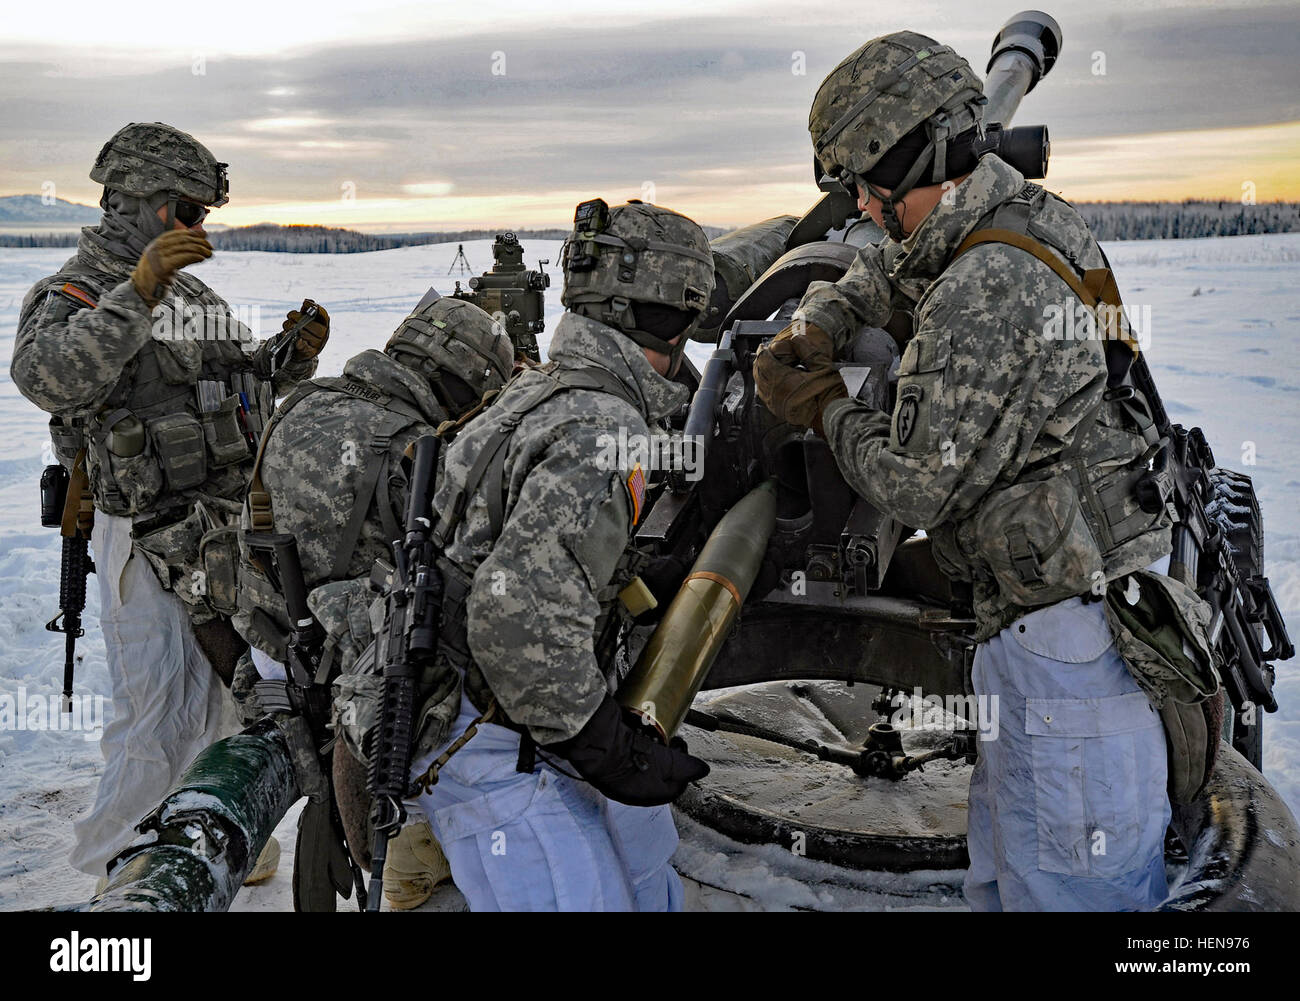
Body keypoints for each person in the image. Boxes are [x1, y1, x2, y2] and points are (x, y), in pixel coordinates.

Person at [754, 33, 1175, 911]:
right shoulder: (1012, 211)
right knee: (1012, 871)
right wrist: (824, 320)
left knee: (1071, 886)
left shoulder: (986, 290)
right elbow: (892, 266)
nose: (866, 210)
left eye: (871, 187)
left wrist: (824, 403)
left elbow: (915, 485)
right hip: (1039, 620)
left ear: (913, 161)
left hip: (1068, 646)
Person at [10, 122, 328, 883]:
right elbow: (47, 376)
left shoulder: (190, 291)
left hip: (217, 528)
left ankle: (206, 831)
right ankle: (122, 869)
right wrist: (138, 293)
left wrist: (290, 356)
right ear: (141, 203)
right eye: (186, 211)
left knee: (227, 697)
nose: (198, 228)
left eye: (204, 215)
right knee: (157, 711)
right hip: (146, 532)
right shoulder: (76, 291)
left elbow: (239, 375)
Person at [400, 198, 713, 911]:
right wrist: (607, 747)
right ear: (676, 311)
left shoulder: (546, 389)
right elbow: (517, 621)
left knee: (645, 868)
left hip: (519, 707)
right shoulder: (603, 426)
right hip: (486, 732)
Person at [235, 294, 514, 909]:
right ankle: (416, 848)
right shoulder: (419, 450)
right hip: (360, 674)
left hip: (273, 643)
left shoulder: (301, 402)